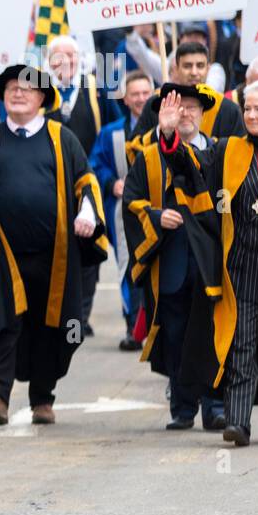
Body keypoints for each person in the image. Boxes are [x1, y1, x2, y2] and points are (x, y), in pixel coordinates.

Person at [0, 64, 109, 427]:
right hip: (2, 253)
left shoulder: (62, 138)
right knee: (4, 322)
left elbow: (85, 180)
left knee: (56, 326)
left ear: (42, 98)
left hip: (54, 253)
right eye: (12, 87)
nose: (18, 93)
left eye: (27, 88)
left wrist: (90, 212)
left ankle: (43, 397)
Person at [154, 80, 258, 446]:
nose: (251, 115)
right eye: (247, 108)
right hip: (240, 270)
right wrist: (169, 133)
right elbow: (190, 168)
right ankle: (238, 422)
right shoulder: (229, 150)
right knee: (241, 346)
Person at [123, 84, 225, 431]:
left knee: (212, 333)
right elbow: (131, 201)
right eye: (179, 108)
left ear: (203, 113)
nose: (186, 114)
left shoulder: (220, 153)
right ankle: (182, 407)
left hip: (210, 261)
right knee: (176, 334)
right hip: (171, 260)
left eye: (193, 108)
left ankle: (215, 406)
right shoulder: (150, 156)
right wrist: (155, 216)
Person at [46, 35, 121, 337]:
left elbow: (114, 129)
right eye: (59, 55)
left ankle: (82, 315)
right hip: (50, 184)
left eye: (71, 54)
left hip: (88, 182)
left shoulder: (97, 89)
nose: (67, 60)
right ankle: (58, 312)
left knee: (89, 245)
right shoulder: (40, 92)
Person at [90, 69, 155, 351]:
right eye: (135, 94)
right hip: (124, 213)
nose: (141, 99)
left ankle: (155, 327)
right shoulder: (111, 132)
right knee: (128, 267)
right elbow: (95, 164)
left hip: (159, 210)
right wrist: (110, 182)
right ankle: (133, 325)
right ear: (125, 99)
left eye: (145, 93)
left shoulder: (165, 129)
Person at [132, 41, 245, 141]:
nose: (194, 72)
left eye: (200, 66)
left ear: (208, 69)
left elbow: (238, 154)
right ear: (176, 69)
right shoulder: (158, 103)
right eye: (187, 66)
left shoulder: (227, 109)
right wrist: (160, 132)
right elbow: (132, 150)